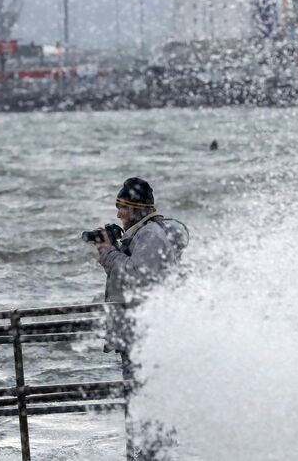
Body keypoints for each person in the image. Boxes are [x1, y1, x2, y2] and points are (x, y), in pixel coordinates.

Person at [91, 177, 186, 460]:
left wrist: (108, 253)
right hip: (142, 335)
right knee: (143, 400)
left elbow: (135, 279)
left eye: (123, 208)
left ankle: (153, 454)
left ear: (137, 210)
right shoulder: (144, 235)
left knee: (147, 399)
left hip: (146, 336)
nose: (119, 214)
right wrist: (116, 249)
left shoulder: (149, 235)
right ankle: (149, 453)